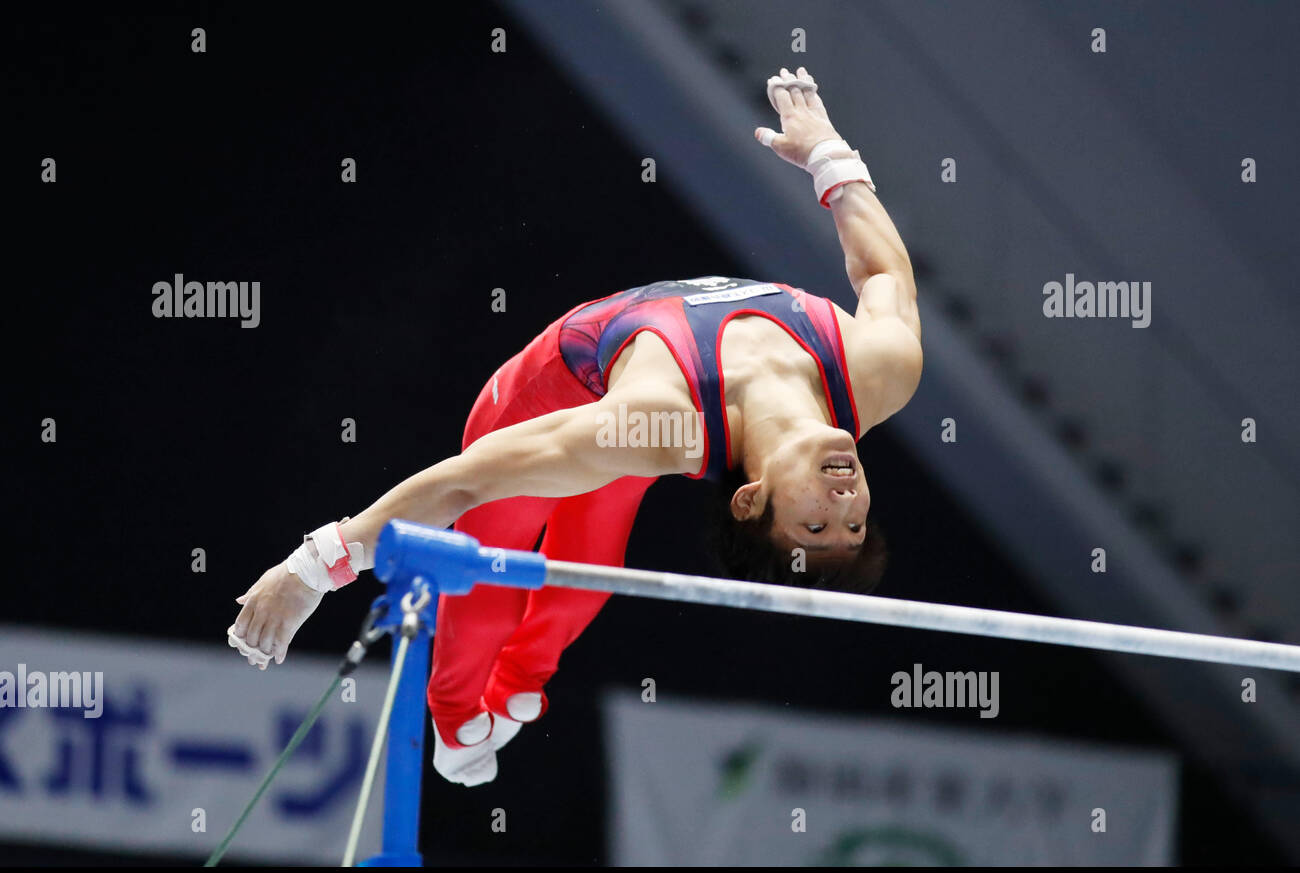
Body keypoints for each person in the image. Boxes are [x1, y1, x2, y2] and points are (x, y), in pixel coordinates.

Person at [227, 67, 922, 785]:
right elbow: (883, 276)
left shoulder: (658, 426)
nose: (845, 511)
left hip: (569, 410)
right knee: (541, 575)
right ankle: (467, 714)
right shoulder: (879, 373)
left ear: (751, 500)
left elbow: (468, 480)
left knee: (550, 583)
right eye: (855, 528)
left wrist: (314, 567)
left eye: (816, 530)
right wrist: (829, 156)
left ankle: (475, 708)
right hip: (557, 399)